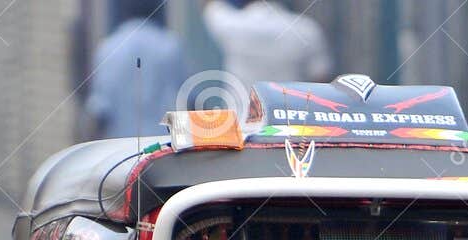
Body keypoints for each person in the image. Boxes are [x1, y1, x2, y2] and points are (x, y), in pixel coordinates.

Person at [85, 0, 189, 139]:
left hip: (122, 152)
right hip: (165, 149)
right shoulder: (171, 46)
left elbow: (99, 111)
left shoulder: (107, 49)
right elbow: (189, 101)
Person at [202, 0, 332, 89]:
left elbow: (209, 6)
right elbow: (321, 83)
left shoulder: (230, 24)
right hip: (293, 124)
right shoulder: (307, 30)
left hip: (241, 124)